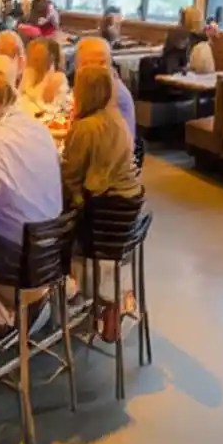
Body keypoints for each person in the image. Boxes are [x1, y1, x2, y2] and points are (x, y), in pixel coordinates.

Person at [0, 70, 63, 326]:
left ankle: (4, 320)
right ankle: (30, 302)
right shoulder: (36, 126)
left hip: (17, 256)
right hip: (53, 242)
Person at [62, 66, 144, 341]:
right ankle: (112, 297)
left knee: (60, 229)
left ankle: (74, 294)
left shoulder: (85, 127)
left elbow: (71, 176)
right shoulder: (116, 119)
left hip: (106, 210)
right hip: (129, 204)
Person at [76, 37, 136, 138]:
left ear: (102, 64)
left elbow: (91, 137)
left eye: (84, 64)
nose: (78, 70)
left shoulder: (111, 93)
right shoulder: (104, 84)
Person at [19, 37, 69, 108]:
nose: (31, 61)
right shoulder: (29, 71)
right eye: (31, 56)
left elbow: (49, 106)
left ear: (51, 59)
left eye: (37, 59)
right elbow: (19, 95)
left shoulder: (58, 78)